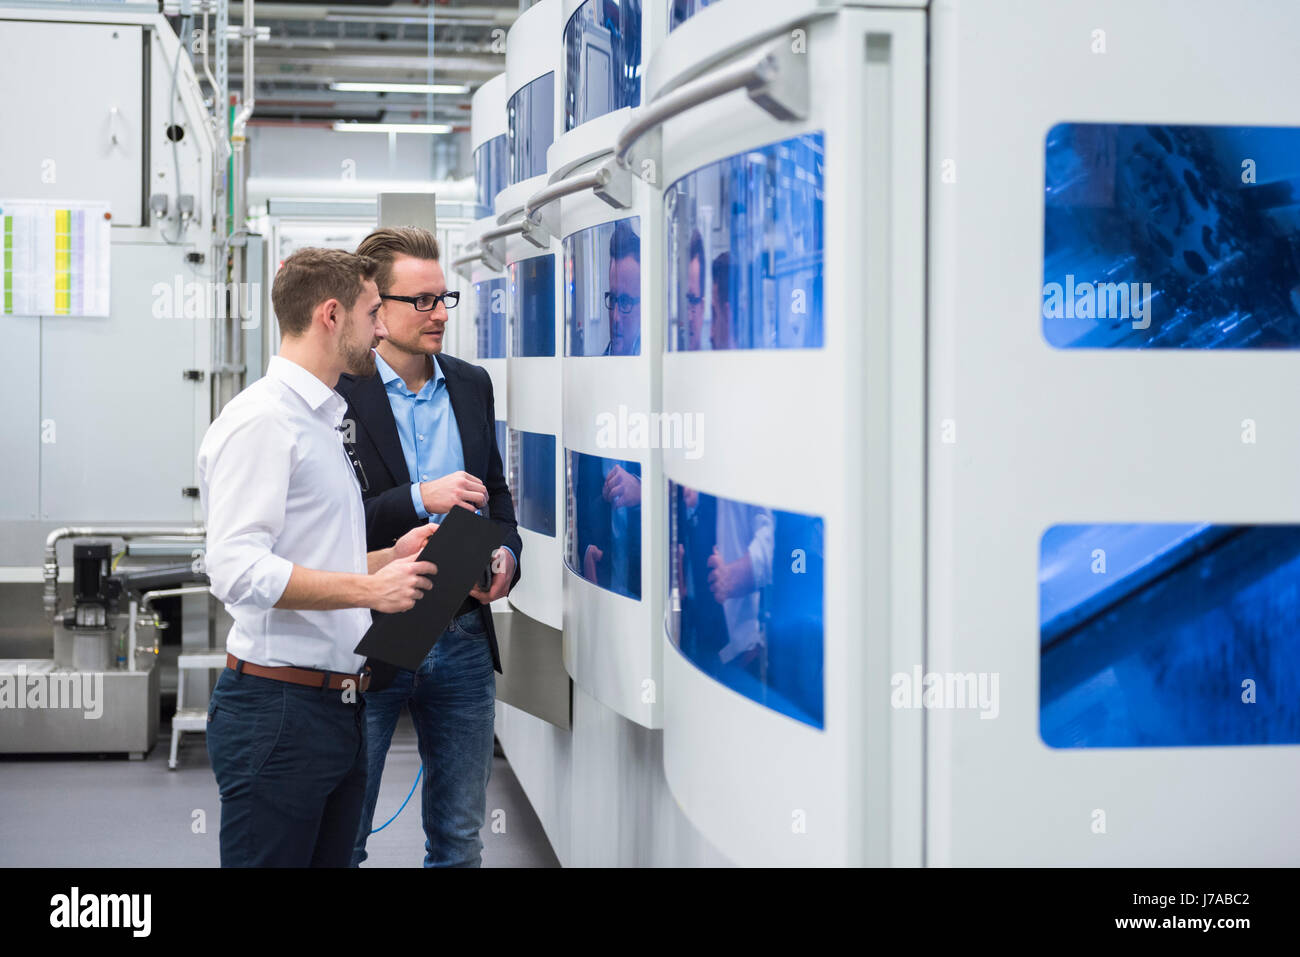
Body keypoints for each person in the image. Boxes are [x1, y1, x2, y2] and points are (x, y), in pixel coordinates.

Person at [199, 247, 440, 868]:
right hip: (280, 714)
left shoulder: (321, 421)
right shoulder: (263, 422)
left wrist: (387, 560)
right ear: (331, 315)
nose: (382, 329)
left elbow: (310, 555)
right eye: (371, 313)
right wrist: (369, 593)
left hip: (337, 705)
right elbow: (236, 568)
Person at [336, 226, 522, 868]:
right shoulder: (337, 393)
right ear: (375, 307)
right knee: (346, 835)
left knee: (459, 839)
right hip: (371, 635)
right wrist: (420, 496)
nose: (440, 313)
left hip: (464, 635)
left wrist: (505, 558)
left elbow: (496, 496)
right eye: (421, 301)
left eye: (444, 298)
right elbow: (335, 526)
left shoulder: (471, 386)